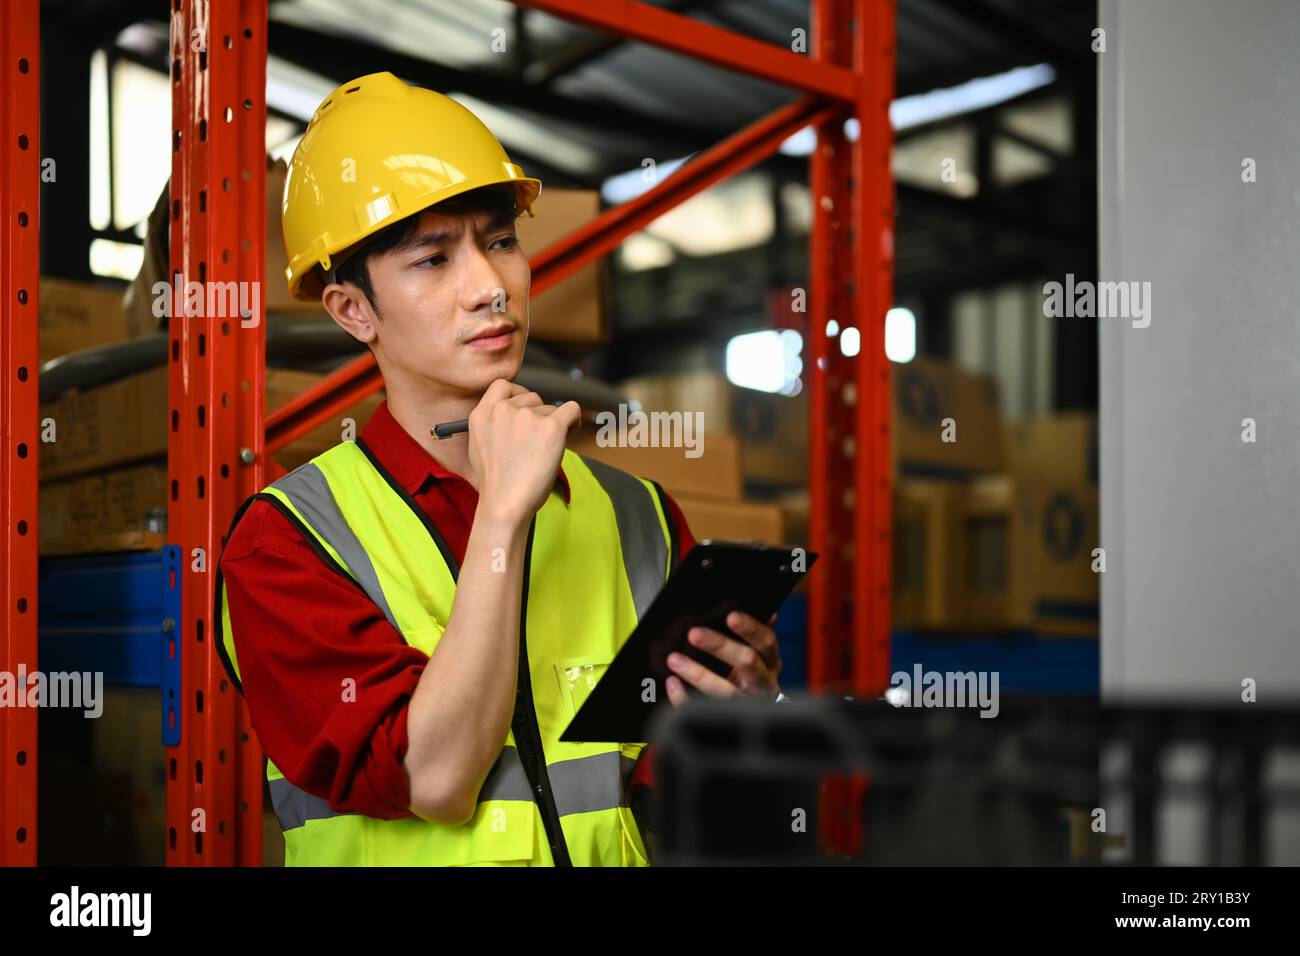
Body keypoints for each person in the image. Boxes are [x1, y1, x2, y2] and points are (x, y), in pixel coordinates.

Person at [215, 71, 784, 867]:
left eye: (501, 241)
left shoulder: (637, 517)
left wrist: (741, 720)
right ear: (353, 311)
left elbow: (677, 805)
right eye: (433, 258)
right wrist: (504, 516)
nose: (490, 287)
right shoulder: (286, 545)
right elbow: (436, 778)